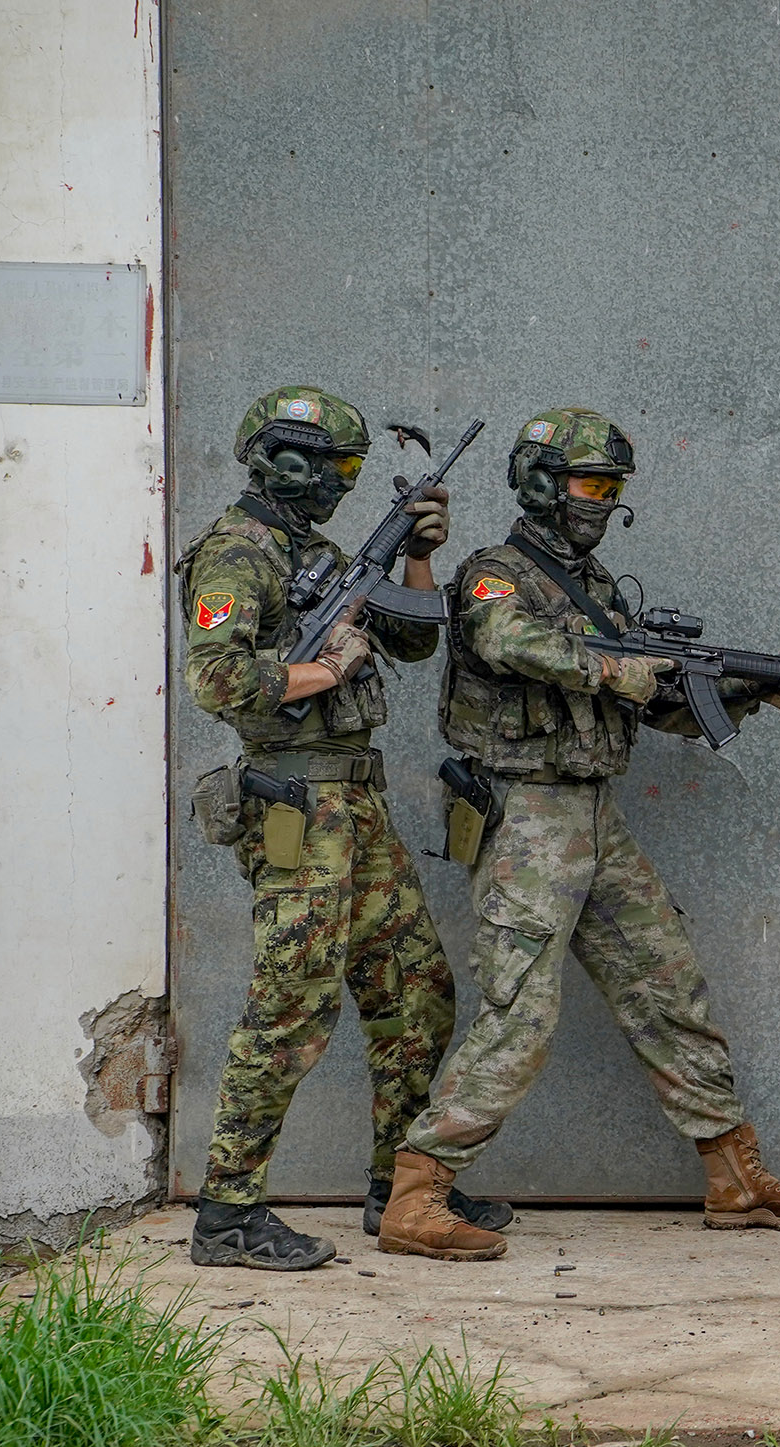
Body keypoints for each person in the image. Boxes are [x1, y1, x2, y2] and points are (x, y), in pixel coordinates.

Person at [377, 408, 780, 1260]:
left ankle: (735, 1174)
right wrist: (623, 666)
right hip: (526, 818)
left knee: (668, 984)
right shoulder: (496, 576)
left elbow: (651, 700)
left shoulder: (601, 587)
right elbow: (512, 643)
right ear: (543, 482)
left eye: (614, 488)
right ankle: (419, 1188)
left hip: (595, 811)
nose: (605, 501)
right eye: (594, 483)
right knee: (522, 1009)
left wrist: (745, 690)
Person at [179, 386, 505, 1271]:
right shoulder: (236, 552)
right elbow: (217, 681)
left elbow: (412, 644)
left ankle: (395, 1189)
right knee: (292, 1004)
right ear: (286, 460)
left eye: (357, 471)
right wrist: (322, 670)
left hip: (356, 803)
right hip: (297, 804)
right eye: (339, 468)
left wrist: (418, 559)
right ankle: (227, 1214)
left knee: (417, 991)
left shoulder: (315, 551)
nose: (344, 483)